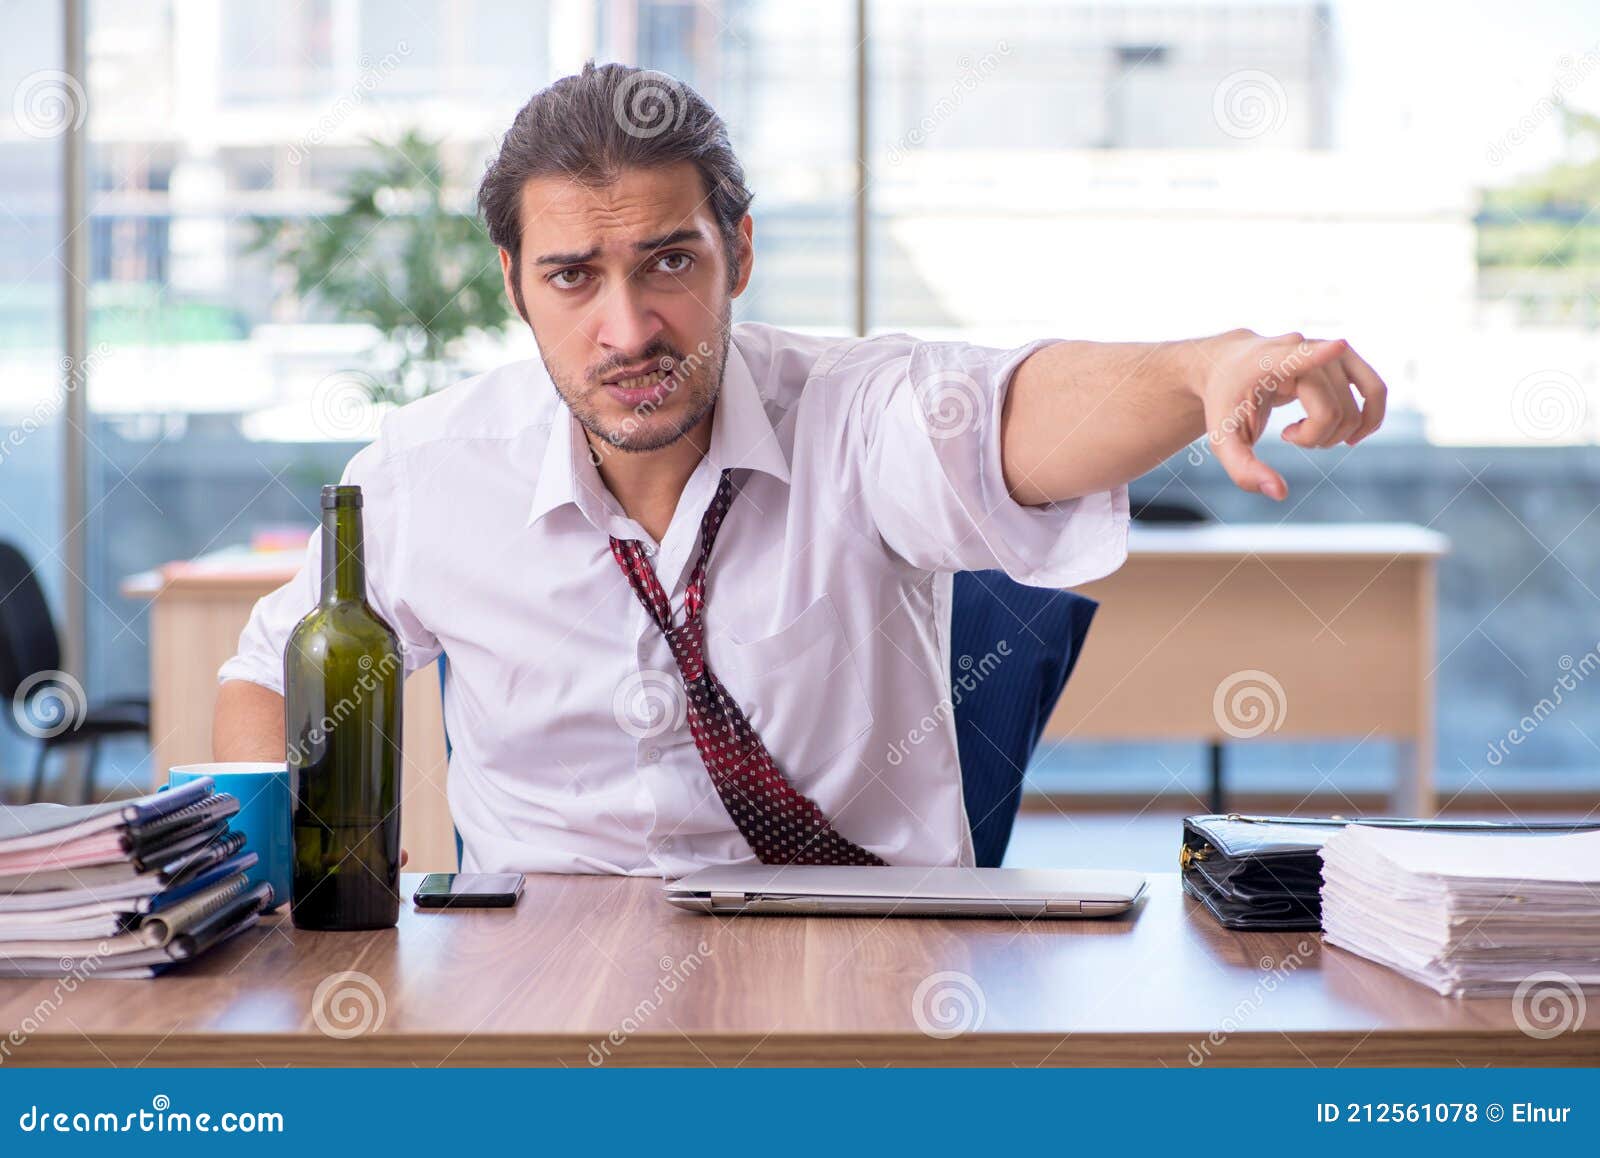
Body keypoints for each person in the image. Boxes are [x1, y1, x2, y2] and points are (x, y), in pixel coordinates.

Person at [215, 62, 1386, 875]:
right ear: (514, 282)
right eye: (574, 277)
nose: (627, 330)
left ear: (741, 253)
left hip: (869, 953)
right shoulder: (431, 474)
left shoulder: (854, 414)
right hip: (550, 963)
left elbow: (1010, 412)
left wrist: (1204, 366)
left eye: (668, 261)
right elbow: (269, 672)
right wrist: (307, 856)